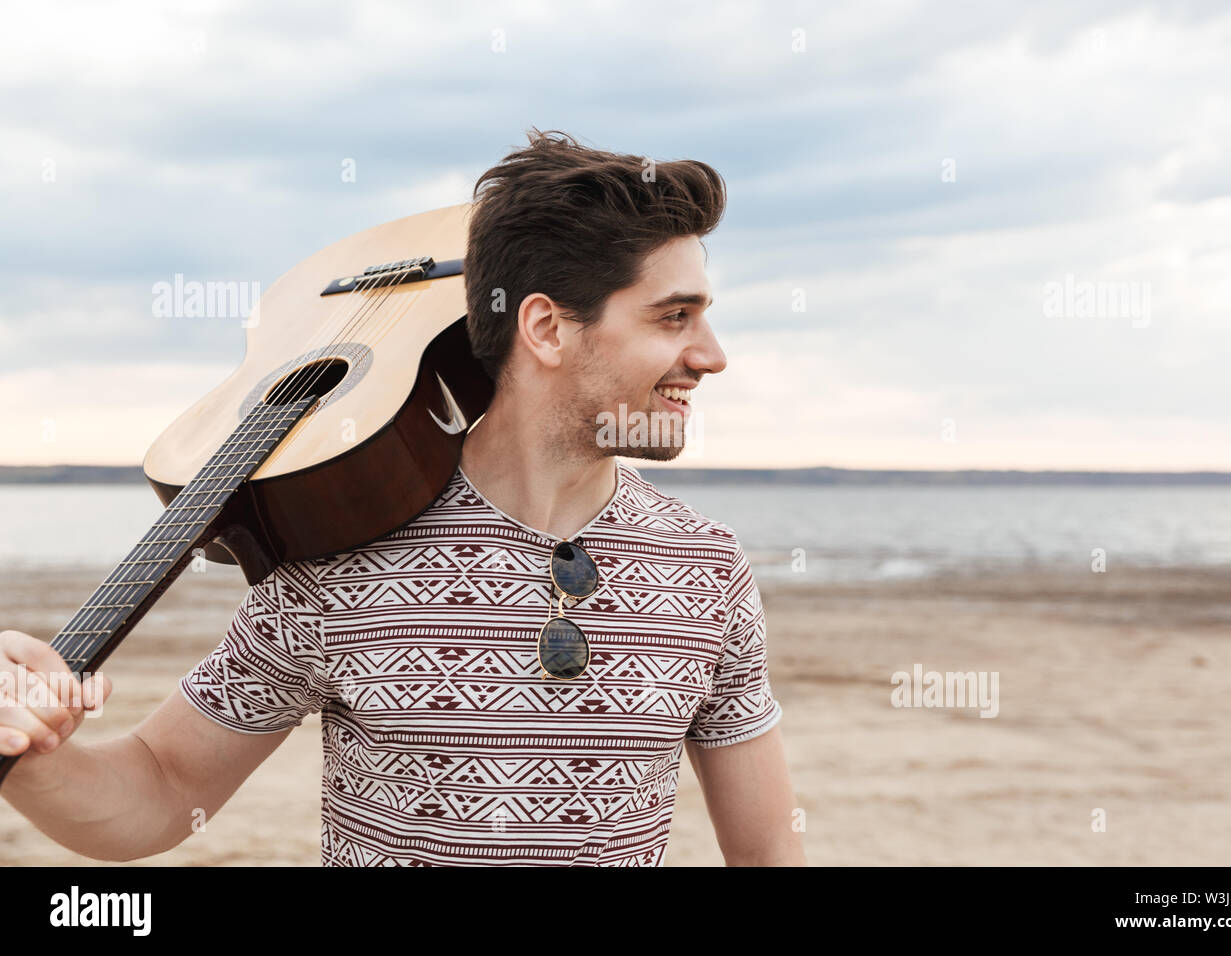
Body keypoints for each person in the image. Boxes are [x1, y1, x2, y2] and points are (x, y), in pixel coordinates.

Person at [0, 128, 804, 866]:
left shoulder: (711, 566)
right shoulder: (338, 554)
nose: (713, 356)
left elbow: (768, 851)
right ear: (548, 329)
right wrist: (34, 758)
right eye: (674, 317)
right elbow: (162, 792)